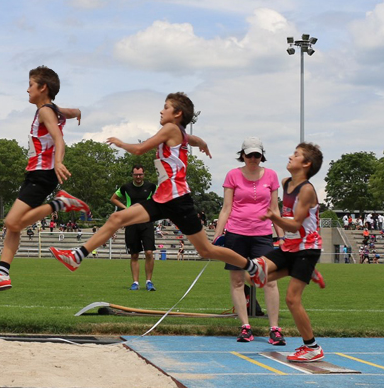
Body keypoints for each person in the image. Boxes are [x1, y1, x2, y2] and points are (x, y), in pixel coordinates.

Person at [49, 92, 255, 276]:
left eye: (166, 107)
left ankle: (253, 267)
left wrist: (121, 143)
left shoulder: (170, 129)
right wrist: (202, 144)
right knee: (117, 218)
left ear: (178, 114)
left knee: (206, 250)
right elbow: (193, 139)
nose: (161, 110)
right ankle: (77, 256)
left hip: (178, 199)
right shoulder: (180, 133)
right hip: (162, 198)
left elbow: (140, 149)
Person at [0, 66, 86, 292]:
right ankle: (2, 274)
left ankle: (60, 203)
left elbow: (58, 139)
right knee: (14, 228)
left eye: (30, 85)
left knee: (11, 222)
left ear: (42, 87)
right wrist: (76, 112)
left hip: (43, 173)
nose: (27, 90)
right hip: (35, 173)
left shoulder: (46, 111)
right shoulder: (53, 108)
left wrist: (57, 162)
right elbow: (70, 110)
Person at [247, 143, 327, 362]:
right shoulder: (285, 183)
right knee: (252, 276)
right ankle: (305, 272)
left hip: (307, 249)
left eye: (296, 155)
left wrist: (273, 217)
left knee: (292, 299)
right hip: (289, 247)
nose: (290, 157)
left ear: (306, 164)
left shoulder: (307, 190)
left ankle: (312, 347)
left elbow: (294, 225)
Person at [211, 137, 284, 345]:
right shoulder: (233, 175)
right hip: (236, 233)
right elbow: (226, 207)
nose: (253, 158)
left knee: (270, 281)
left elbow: (274, 209)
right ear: (242, 154)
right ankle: (245, 326)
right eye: (249, 154)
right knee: (237, 281)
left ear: (262, 155)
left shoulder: (271, 175)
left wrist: (281, 237)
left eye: (257, 155)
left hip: (262, 234)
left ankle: (275, 329)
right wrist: (217, 236)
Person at [111, 164, 157, 291]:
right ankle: (135, 283)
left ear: (144, 174)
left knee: (149, 252)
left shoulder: (151, 187)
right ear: (132, 175)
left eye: (140, 174)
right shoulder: (126, 187)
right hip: (131, 223)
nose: (138, 176)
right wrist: (126, 209)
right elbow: (113, 198)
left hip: (146, 221)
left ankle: (149, 281)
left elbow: (162, 196)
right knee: (134, 255)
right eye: (136, 174)